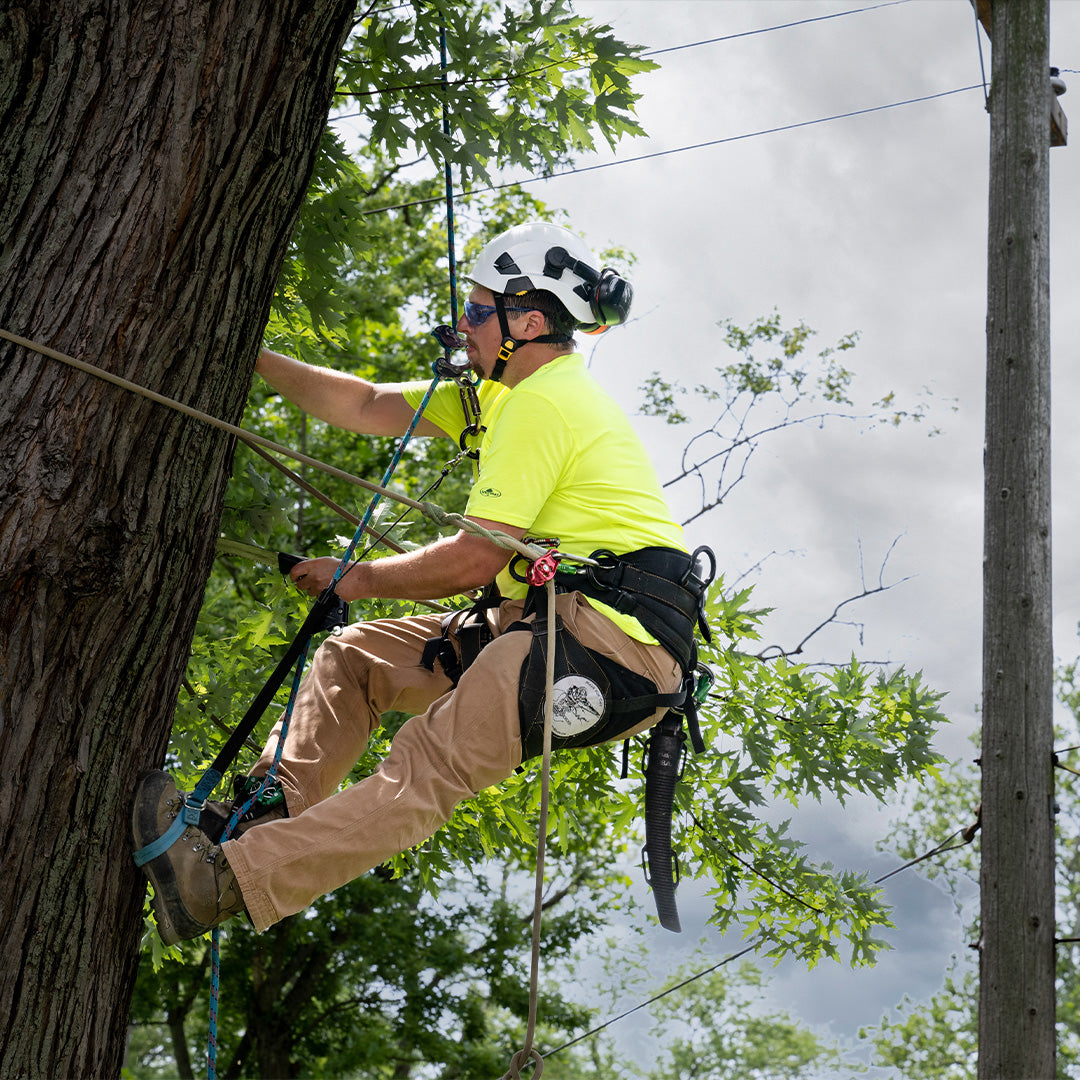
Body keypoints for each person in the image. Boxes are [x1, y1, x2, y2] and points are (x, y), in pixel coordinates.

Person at [132, 222, 711, 945]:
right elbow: (367, 405)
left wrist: (358, 577)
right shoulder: (501, 398)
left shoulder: (547, 402)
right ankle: (270, 815)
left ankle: (222, 885)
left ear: (528, 322)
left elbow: (472, 559)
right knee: (354, 661)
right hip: (543, 622)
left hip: (609, 642)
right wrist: (244, 353)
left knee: (427, 766)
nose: (462, 325)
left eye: (477, 311)